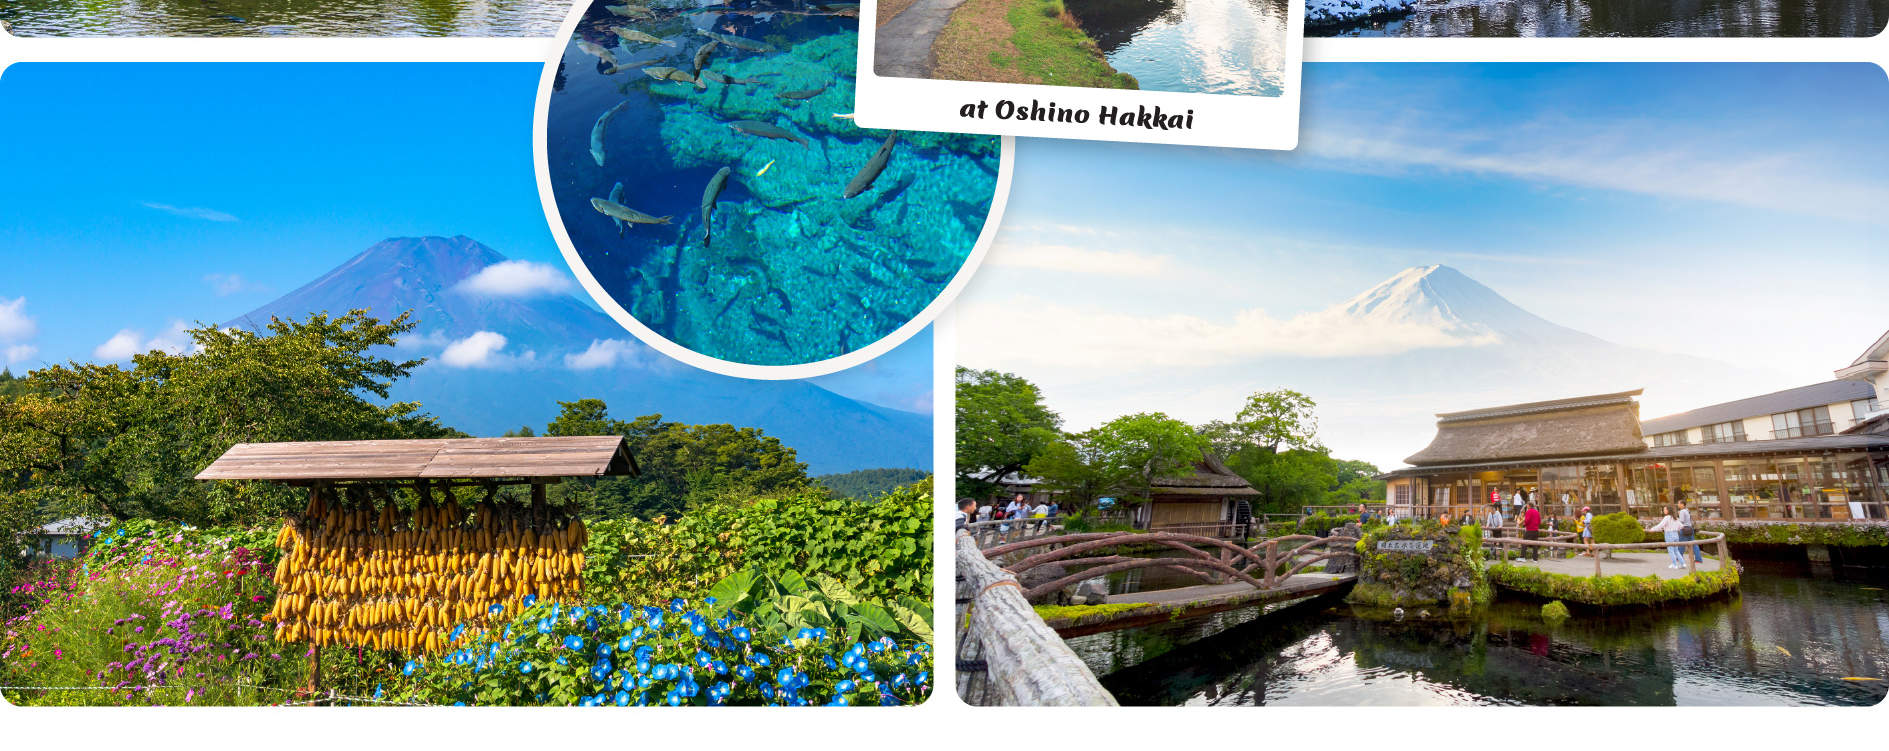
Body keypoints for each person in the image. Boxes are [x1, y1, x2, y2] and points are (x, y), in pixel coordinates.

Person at [1677, 497, 1704, 563]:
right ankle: (1698, 559)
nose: (1678, 504)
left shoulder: (1682, 511)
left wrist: (1677, 518)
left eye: (1679, 503)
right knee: (1694, 544)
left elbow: (1682, 521)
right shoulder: (1687, 510)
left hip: (1684, 530)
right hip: (1690, 529)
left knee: (1681, 544)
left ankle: (1679, 558)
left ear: (1682, 504)